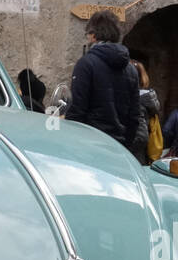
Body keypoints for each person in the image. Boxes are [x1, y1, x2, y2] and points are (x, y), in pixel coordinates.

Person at [66, 10, 140, 150]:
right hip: (118, 146)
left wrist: (73, 144)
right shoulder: (131, 70)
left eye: (88, 34)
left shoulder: (86, 64)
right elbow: (134, 116)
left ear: (93, 36)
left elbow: (77, 109)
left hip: (89, 144)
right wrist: (126, 146)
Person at [129, 59, 159, 164]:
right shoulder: (145, 99)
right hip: (140, 157)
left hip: (133, 158)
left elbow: (141, 137)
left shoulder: (138, 101)